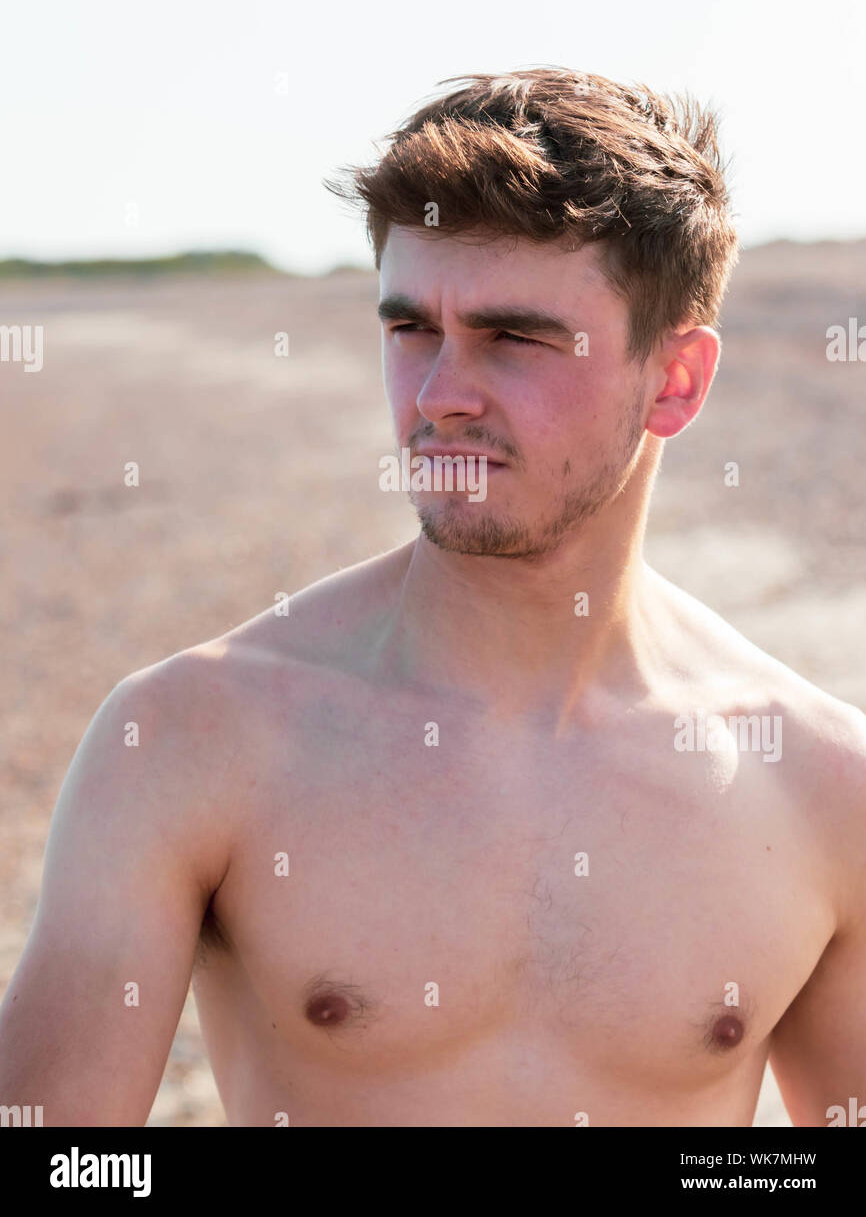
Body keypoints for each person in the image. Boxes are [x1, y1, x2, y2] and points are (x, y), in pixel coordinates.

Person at [1, 68, 864, 1128]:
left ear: (674, 382)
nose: (437, 395)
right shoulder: (188, 737)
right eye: (410, 328)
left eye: (513, 337)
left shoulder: (821, 789)